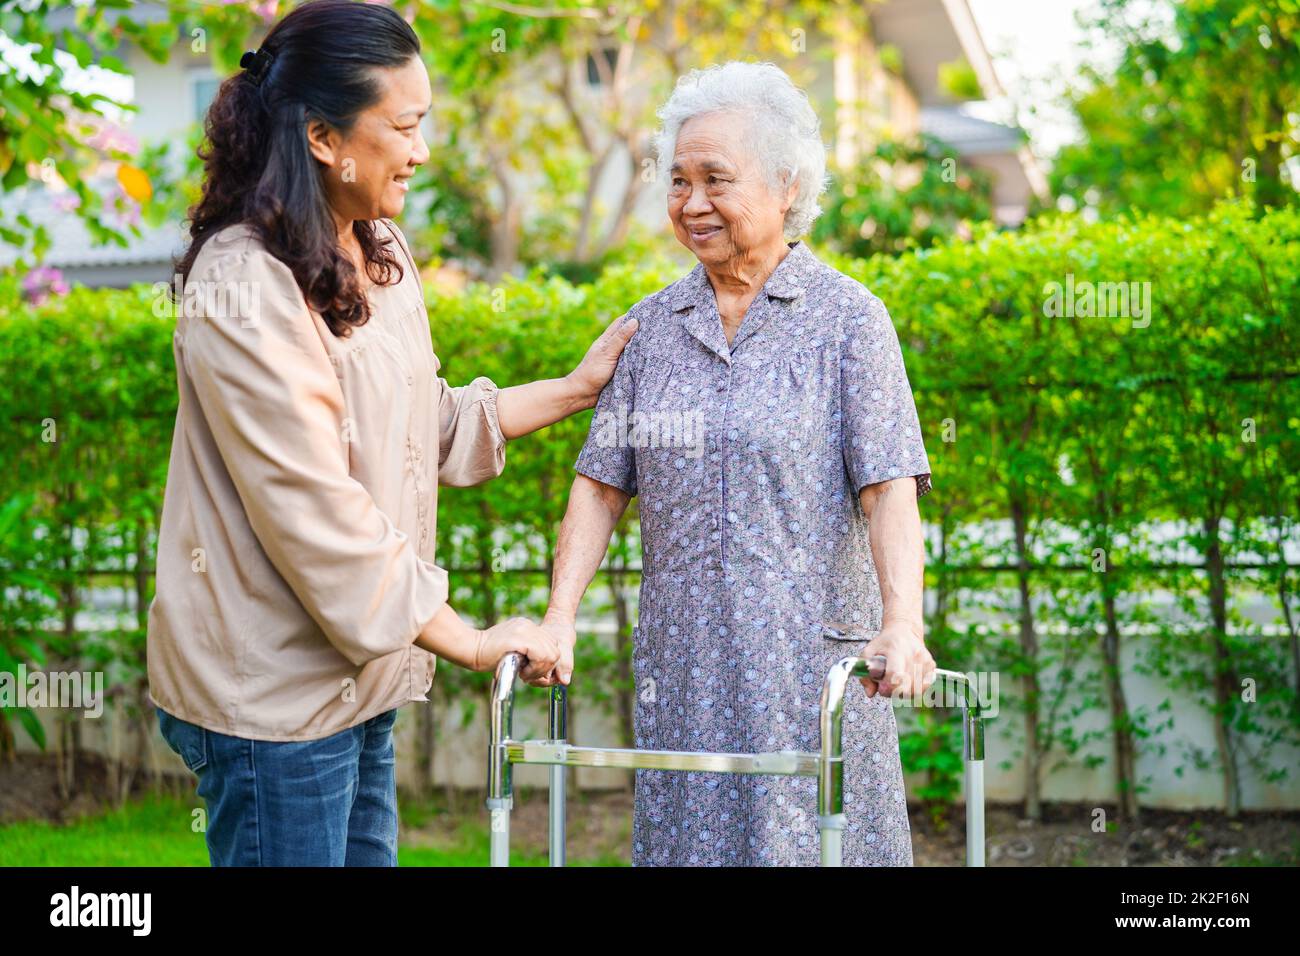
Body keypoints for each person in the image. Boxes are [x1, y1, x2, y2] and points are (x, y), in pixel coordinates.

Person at [146, 0, 634, 867]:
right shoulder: (242, 288)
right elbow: (318, 516)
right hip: (273, 701)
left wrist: (575, 388)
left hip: (358, 679)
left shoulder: (377, 251)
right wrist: (473, 640)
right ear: (325, 138)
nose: (423, 149)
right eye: (405, 125)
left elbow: (425, 425)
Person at [536, 61, 936, 866]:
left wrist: (904, 623)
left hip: (811, 666)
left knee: (817, 846)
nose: (691, 203)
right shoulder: (652, 327)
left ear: (786, 186)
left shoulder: (849, 320)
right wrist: (558, 618)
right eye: (678, 180)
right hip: (684, 670)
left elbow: (888, 487)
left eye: (716, 179)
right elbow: (601, 487)